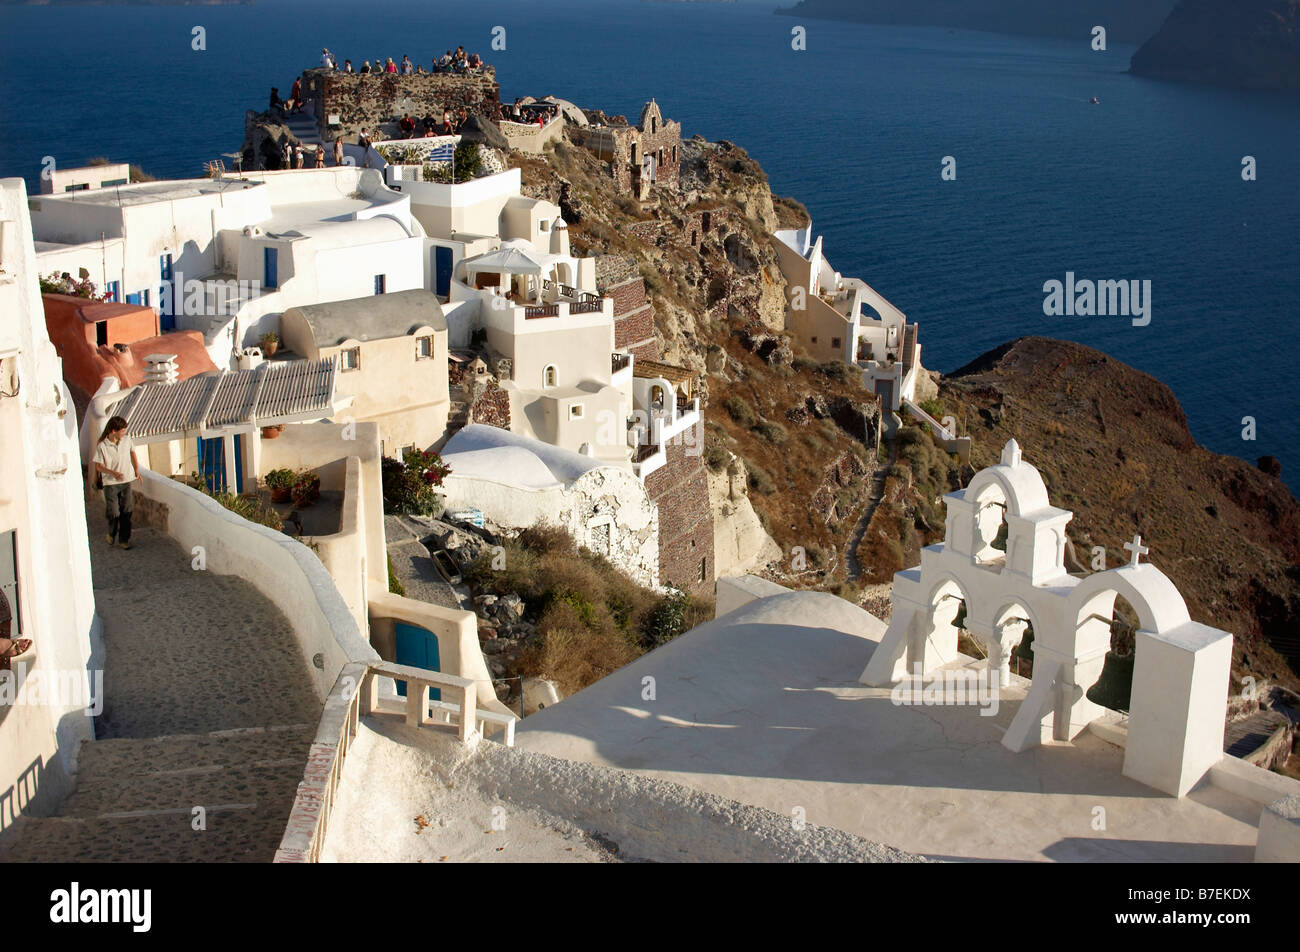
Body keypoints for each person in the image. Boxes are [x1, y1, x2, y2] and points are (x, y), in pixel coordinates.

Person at [94, 415, 140, 550]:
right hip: (110, 484)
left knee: (127, 511)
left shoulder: (127, 440)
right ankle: (111, 532)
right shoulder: (102, 446)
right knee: (114, 512)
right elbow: (98, 466)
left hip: (126, 481)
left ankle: (124, 540)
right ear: (114, 431)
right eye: (122, 431)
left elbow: (133, 453)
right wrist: (113, 473)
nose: (124, 433)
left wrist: (136, 469)